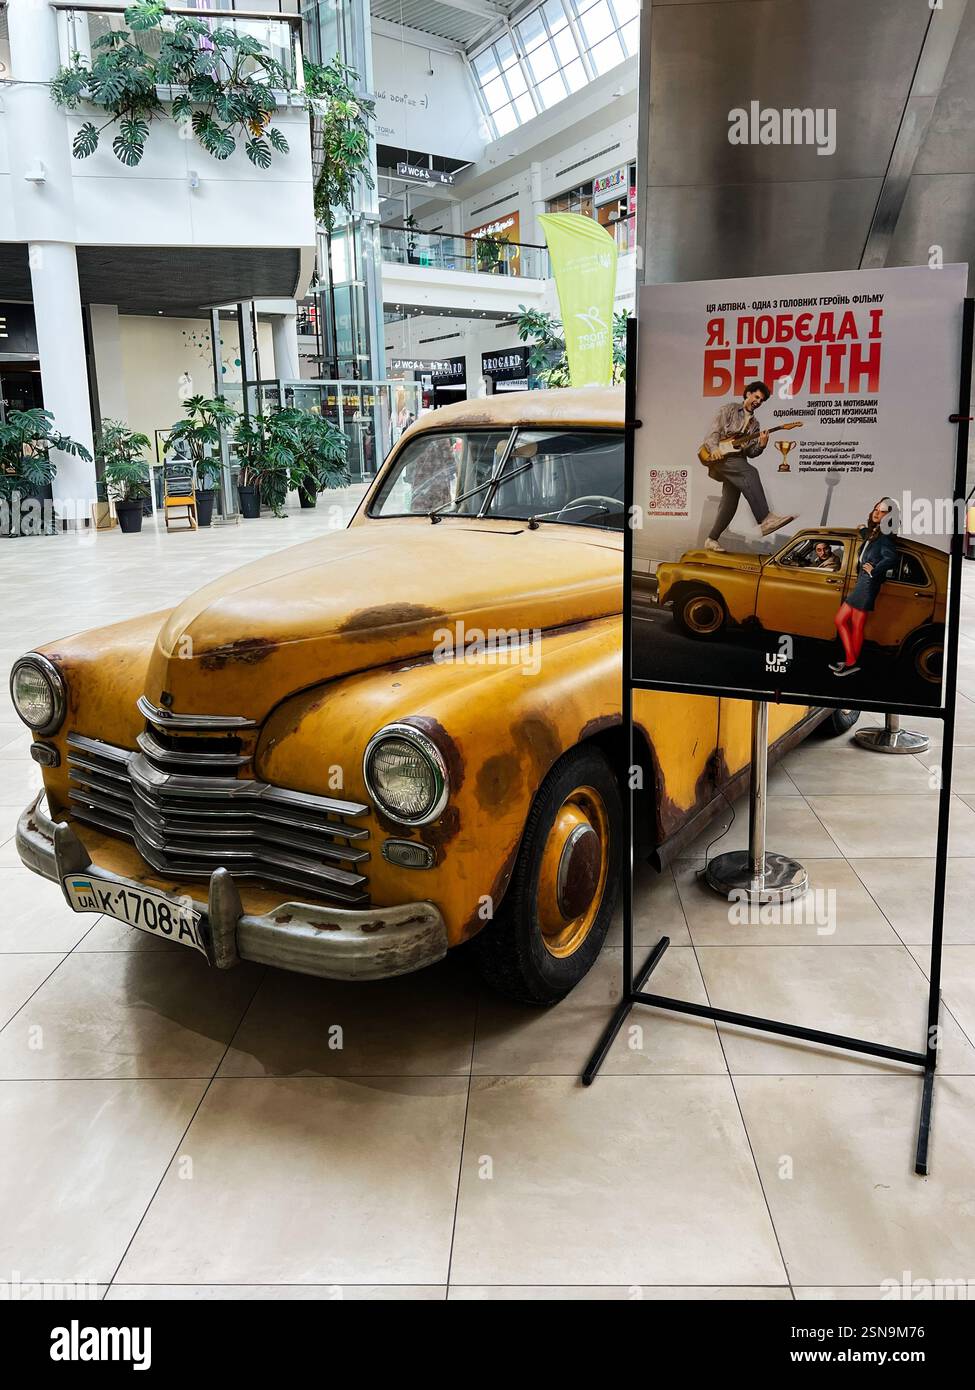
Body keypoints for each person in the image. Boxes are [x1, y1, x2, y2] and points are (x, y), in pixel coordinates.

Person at [701, 381, 796, 551]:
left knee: (730, 501)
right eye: (757, 397)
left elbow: (751, 453)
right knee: (751, 473)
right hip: (719, 457)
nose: (758, 401)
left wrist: (762, 444)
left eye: (762, 400)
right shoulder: (729, 409)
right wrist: (714, 448)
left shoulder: (755, 425)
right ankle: (765, 520)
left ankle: (711, 539)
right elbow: (714, 431)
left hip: (738, 459)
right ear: (748, 394)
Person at [830, 498, 898, 678]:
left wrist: (875, 570)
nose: (877, 513)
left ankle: (851, 662)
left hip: (868, 584)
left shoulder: (886, 536)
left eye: (882, 511)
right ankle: (851, 660)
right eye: (876, 509)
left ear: (890, 516)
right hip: (862, 583)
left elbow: (891, 558)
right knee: (845, 621)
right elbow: (867, 538)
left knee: (851, 623)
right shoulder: (875, 533)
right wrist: (861, 529)